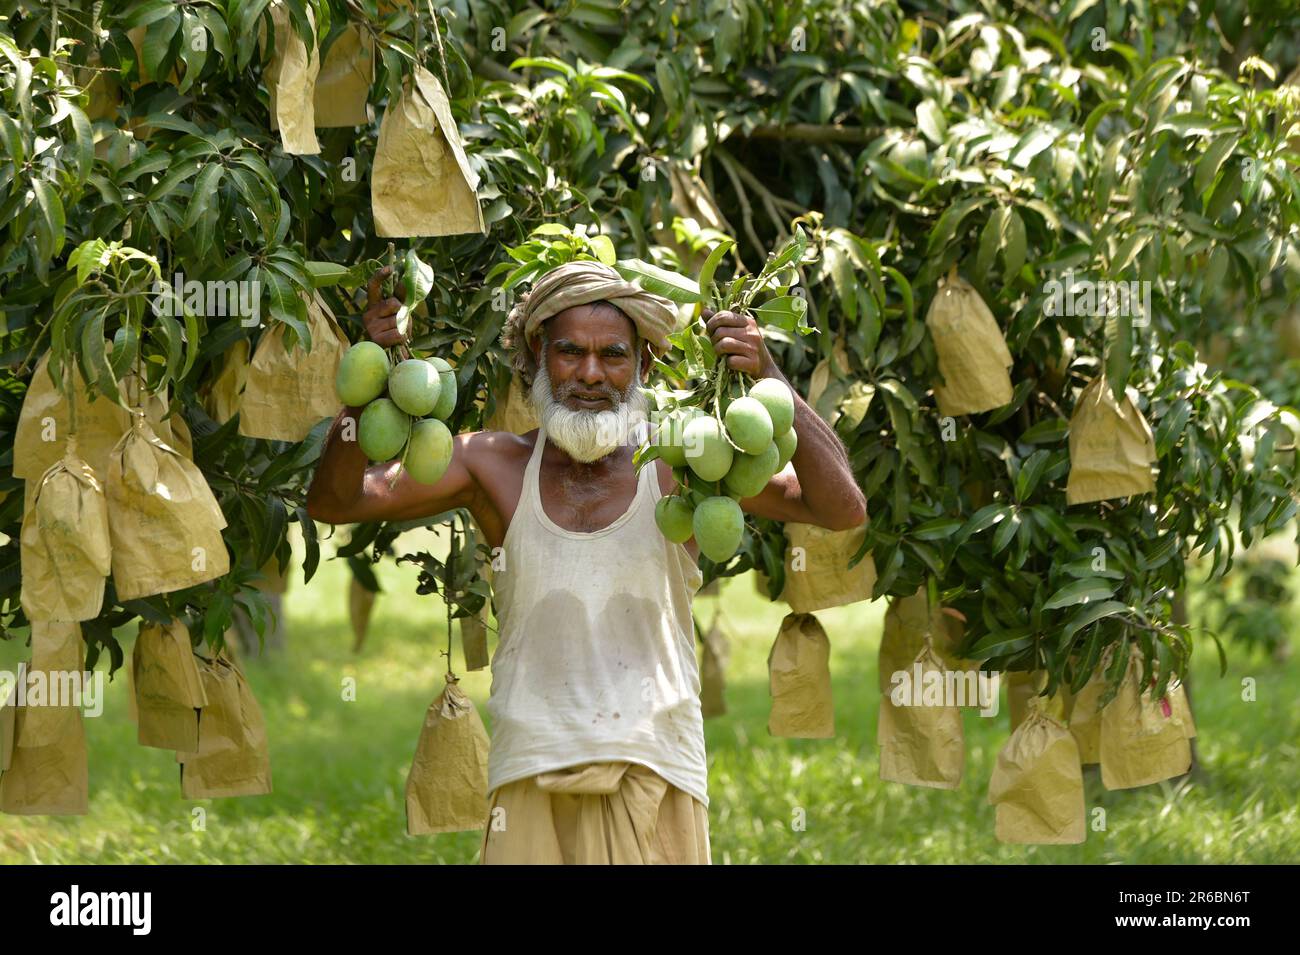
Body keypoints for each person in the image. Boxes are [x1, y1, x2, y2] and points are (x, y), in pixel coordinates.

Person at [306, 259, 867, 864]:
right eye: (570, 353)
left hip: (655, 765)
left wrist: (770, 376)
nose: (591, 374)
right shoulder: (491, 466)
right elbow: (338, 502)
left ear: (644, 365)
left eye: (615, 356)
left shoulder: (685, 461)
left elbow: (840, 509)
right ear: (537, 358)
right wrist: (365, 390)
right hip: (530, 768)